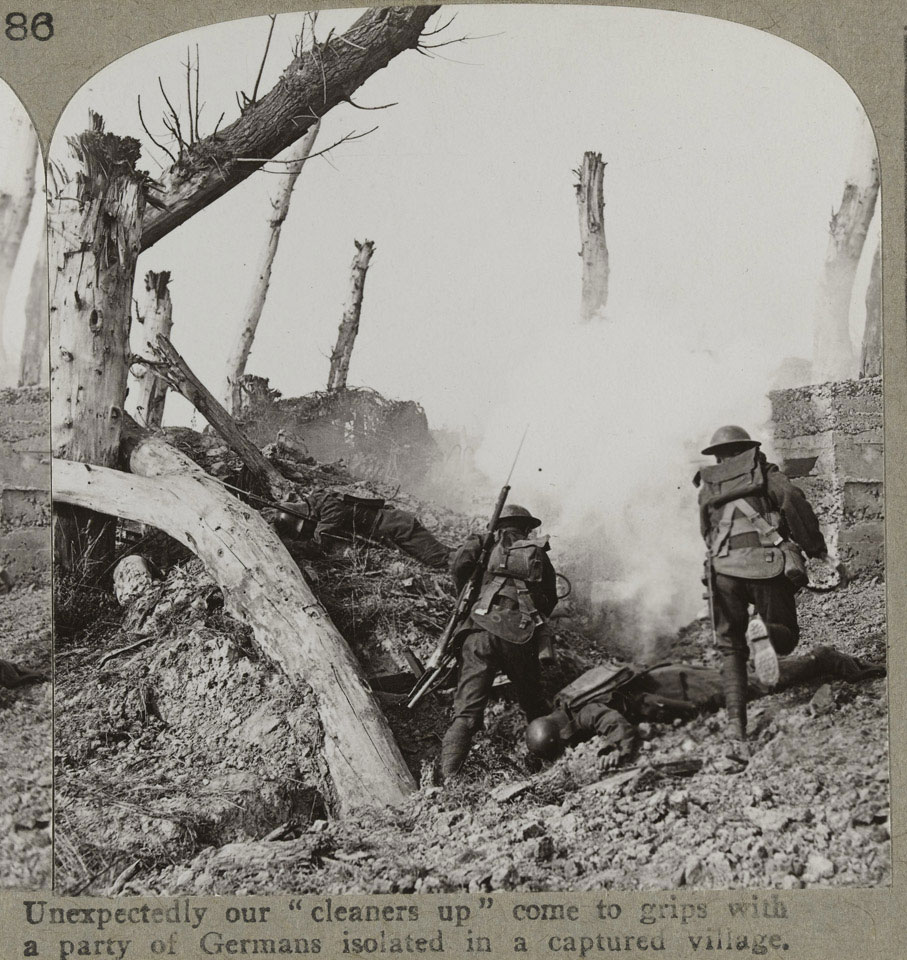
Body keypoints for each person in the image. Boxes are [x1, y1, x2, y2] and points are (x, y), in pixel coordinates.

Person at [694, 425, 834, 759]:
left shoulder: (707, 485)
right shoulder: (764, 471)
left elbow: (706, 532)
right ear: (747, 448)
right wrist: (817, 550)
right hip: (766, 564)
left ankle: (737, 734)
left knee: (732, 652)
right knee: (786, 635)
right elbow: (793, 500)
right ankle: (765, 633)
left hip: (723, 572)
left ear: (717, 455)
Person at [525, 645, 884, 765]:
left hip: (677, 686)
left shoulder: (584, 713)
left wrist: (620, 749)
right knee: (742, 677)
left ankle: (823, 659)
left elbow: (620, 728)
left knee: (752, 684)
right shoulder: (566, 701)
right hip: (666, 678)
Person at [439, 504, 558, 780]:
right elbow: (549, 599)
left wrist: (469, 597)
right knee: (534, 705)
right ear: (526, 527)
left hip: (478, 630)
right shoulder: (536, 550)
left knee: (467, 714)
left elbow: (458, 564)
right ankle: (548, 766)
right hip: (520, 635)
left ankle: (449, 781)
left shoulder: (483, 542)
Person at [274, 488, 451, 568]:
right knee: (431, 562)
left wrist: (296, 549)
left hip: (395, 525)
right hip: (386, 534)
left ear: (307, 514)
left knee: (438, 559)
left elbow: (321, 541)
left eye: (305, 528)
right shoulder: (321, 504)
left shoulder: (328, 506)